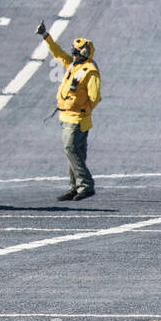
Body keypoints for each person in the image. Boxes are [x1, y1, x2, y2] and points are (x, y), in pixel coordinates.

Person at [36, 21, 101, 201]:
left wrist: (82, 110)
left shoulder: (90, 71)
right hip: (67, 116)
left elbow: (95, 97)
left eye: (76, 51)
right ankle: (74, 187)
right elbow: (58, 54)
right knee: (75, 152)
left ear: (85, 52)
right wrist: (46, 36)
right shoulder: (74, 65)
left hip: (78, 118)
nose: (72, 54)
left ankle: (86, 185)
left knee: (70, 148)